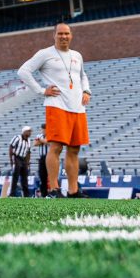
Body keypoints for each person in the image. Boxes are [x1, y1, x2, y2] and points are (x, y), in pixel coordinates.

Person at [18, 23, 91, 199]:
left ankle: (73, 191)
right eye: (60, 34)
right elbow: (23, 71)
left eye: (66, 33)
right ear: (54, 35)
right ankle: (53, 189)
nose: (64, 36)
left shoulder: (77, 55)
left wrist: (87, 90)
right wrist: (41, 90)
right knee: (56, 147)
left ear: (71, 35)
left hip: (78, 108)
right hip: (57, 106)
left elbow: (82, 75)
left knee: (74, 149)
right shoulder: (45, 54)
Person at [8, 126, 32, 197]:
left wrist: (28, 163)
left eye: (30, 131)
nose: (30, 133)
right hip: (17, 157)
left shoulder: (29, 141)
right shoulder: (17, 138)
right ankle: (12, 194)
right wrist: (11, 160)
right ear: (24, 132)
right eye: (28, 131)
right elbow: (11, 147)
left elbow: (28, 152)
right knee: (15, 176)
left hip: (24, 159)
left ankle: (26, 194)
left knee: (25, 177)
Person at [34, 122, 49, 197]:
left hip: (49, 157)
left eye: (45, 129)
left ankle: (52, 192)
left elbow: (47, 142)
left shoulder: (50, 135)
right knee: (42, 175)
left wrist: (41, 140)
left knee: (50, 175)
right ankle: (44, 193)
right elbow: (35, 143)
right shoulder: (39, 136)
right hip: (42, 158)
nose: (43, 130)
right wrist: (42, 141)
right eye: (43, 129)